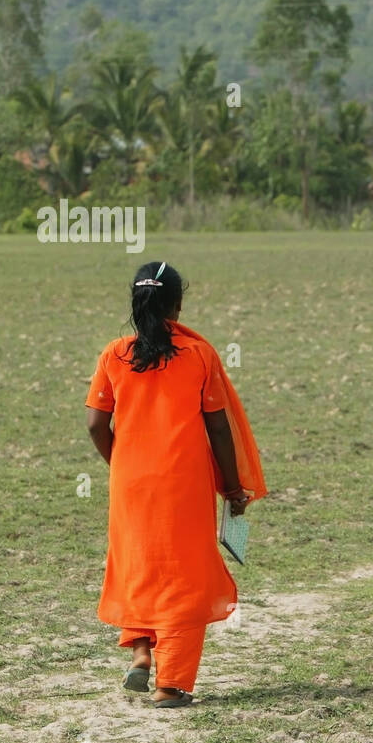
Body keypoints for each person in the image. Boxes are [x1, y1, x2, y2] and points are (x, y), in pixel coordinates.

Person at [84, 261, 266, 706]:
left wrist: (120, 464)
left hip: (130, 482)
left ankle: (142, 653)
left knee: (138, 563)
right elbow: (219, 430)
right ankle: (172, 684)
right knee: (184, 575)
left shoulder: (114, 355)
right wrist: (232, 486)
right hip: (183, 484)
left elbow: (94, 424)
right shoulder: (198, 356)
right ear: (177, 305)